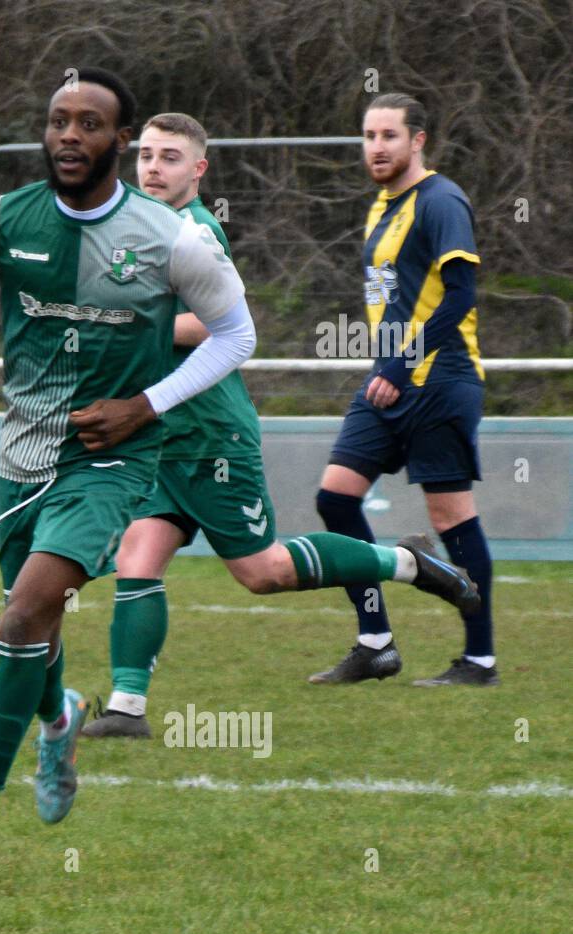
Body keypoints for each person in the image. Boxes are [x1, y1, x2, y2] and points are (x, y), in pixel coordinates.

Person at [0, 68, 259, 878]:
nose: (70, 135)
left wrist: (145, 405)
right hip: (21, 454)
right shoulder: (1, 221)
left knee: (25, 613)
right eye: (58, 121)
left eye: (90, 124)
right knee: (36, 628)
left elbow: (235, 335)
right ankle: (61, 717)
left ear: (121, 140)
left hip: (111, 462)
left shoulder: (171, 237)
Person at [83, 113, 480, 739]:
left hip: (212, 436)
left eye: (170, 157)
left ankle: (407, 563)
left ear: (198, 170)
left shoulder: (197, 232)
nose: (153, 167)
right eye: (147, 155)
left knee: (263, 573)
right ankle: (127, 711)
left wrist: (131, 324)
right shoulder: (136, 227)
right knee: (138, 558)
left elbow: (223, 326)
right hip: (158, 432)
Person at [310, 93, 496, 687]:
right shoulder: (380, 208)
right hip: (388, 381)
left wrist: (398, 365)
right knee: (336, 498)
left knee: (450, 516)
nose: (377, 147)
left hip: (439, 380)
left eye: (389, 135)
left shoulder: (441, 200)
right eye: (368, 136)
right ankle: (376, 642)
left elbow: (461, 296)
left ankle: (480, 660)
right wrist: (384, 368)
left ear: (418, 140)